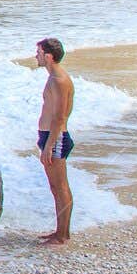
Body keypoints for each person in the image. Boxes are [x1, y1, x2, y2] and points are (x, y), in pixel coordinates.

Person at [35, 36, 76, 246]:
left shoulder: (59, 80)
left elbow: (60, 117)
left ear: (48, 56)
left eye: (39, 53)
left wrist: (49, 145)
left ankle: (62, 235)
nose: (36, 56)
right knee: (55, 187)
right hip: (50, 136)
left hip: (56, 137)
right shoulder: (53, 77)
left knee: (60, 187)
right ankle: (59, 231)